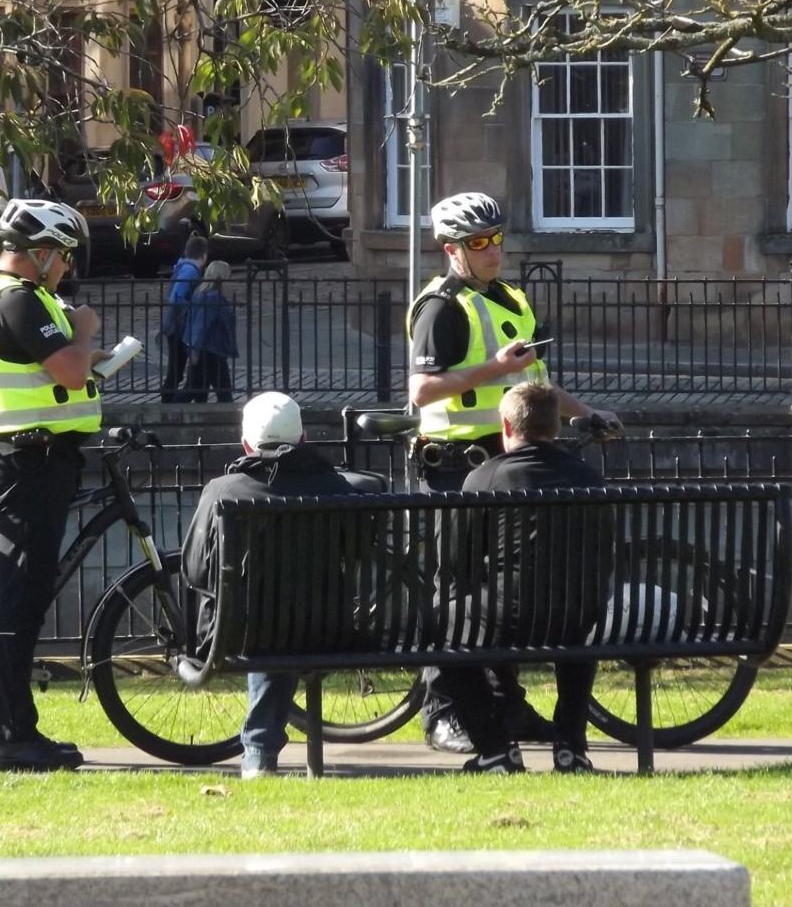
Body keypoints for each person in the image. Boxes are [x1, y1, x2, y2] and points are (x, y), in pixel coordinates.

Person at [408, 190, 620, 754]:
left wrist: (586, 412)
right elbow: (422, 390)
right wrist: (492, 369)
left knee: (499, 584)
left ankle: (506, 704)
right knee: (454, 590)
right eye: (479, 242)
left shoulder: (509, 299)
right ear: (453, 250)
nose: (492, 250)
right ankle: (443, 713)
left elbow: (535, 383)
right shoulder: (441, 307)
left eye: (497, 238)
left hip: (505, 463)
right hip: (456, 465)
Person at [0, 198, 109, 772]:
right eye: (63, 257)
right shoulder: (17, 298)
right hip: (28, 461)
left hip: (20, 455)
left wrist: (81, 349)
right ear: (40, 254)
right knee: (23, 598)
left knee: (26, 591)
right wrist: (86, 332)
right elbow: (68, 370)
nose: (66, 267)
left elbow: (47, 369)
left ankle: (17, 724)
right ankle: (13, 736)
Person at [182, 392, 370, 779]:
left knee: (266, 618)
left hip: (239, 633)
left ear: (246, 444)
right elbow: (361, 551)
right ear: (304, 440)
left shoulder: (224, 491)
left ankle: (259, 752)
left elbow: (195, 570)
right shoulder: (337, 489)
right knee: (288, 614)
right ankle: (260, 747)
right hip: (326, 630)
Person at [433, 381, 608, 774]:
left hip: (510, 618)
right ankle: (571, 748)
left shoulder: (484, 480)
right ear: (556, 427)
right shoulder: (587, 477)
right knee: (579, 614)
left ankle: (495, 749)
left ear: (507, 428)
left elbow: (456, 565)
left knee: (444, 623)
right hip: (577, 614)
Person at [180, 258, 238, 402]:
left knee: (196, 390)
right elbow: (200, 325)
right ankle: (168, 413)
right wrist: (194, 351)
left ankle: (171, 413)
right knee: (223, 393)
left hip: (205, 350)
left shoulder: (201, 294)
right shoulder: (213, 298)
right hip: (211, 352)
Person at [160, 234, 208, 402]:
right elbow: (176, 297)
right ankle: (167, 405)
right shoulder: (190, 271)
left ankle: (173, 402)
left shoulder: (182, 267)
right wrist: (191, 307)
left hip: (175, 327)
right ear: (203, 255)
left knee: (180, 371)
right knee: (176, 372)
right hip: (179, 328)